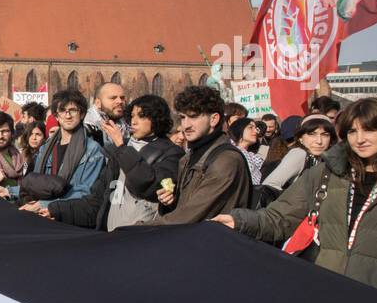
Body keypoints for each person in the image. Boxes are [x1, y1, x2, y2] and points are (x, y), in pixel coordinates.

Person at [214, 98, 377, 296]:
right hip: (327, 294)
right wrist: (239, 220)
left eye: (369, 129)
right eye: (352, 131)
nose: (360, 139)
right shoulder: (326, 173)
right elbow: (279, 217)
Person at [158, 86, 251, 224]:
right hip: (192, 239)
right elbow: (183, 210)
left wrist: (135, 231)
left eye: (193, 117)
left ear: (214, 119)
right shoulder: (189, 157)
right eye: (183, 117)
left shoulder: (226, 160)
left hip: (212, 242)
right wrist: (169, 203)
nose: (186, 125)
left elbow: (189, 216)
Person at [101, 94, 184, 231]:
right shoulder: (123, 148)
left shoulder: (172, 152)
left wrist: (121, 147)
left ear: (157, 119)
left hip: (142, 234)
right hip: (111, 233)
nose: (134, 122)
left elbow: (148, 184)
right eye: (132, 116)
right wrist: (58, 210)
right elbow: (99, 197)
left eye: (141, 116)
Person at [24, 88, 106, 216]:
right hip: (41, 213)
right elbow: (38, 182)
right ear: (56, 115)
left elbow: (85, 191)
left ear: (82, 114)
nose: (68, 116)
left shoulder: (93, 150)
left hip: (68, 215)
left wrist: (45, 205)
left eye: (73, 110)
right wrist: (9, 191)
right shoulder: (46, 148)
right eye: (62, 110)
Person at [260, 114, 335, 201]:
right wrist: (298, 202)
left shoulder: (324, 157)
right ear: (300, 138)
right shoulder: (299, 154)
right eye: (312, 134)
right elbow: (269, 185)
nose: (319, 141)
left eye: (325, 135)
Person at [228, 117, 264, 186]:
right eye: (250, 127)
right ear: (239, 129)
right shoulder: (232, 152)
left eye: (256, 128)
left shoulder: (251, 155)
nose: (256, 131)